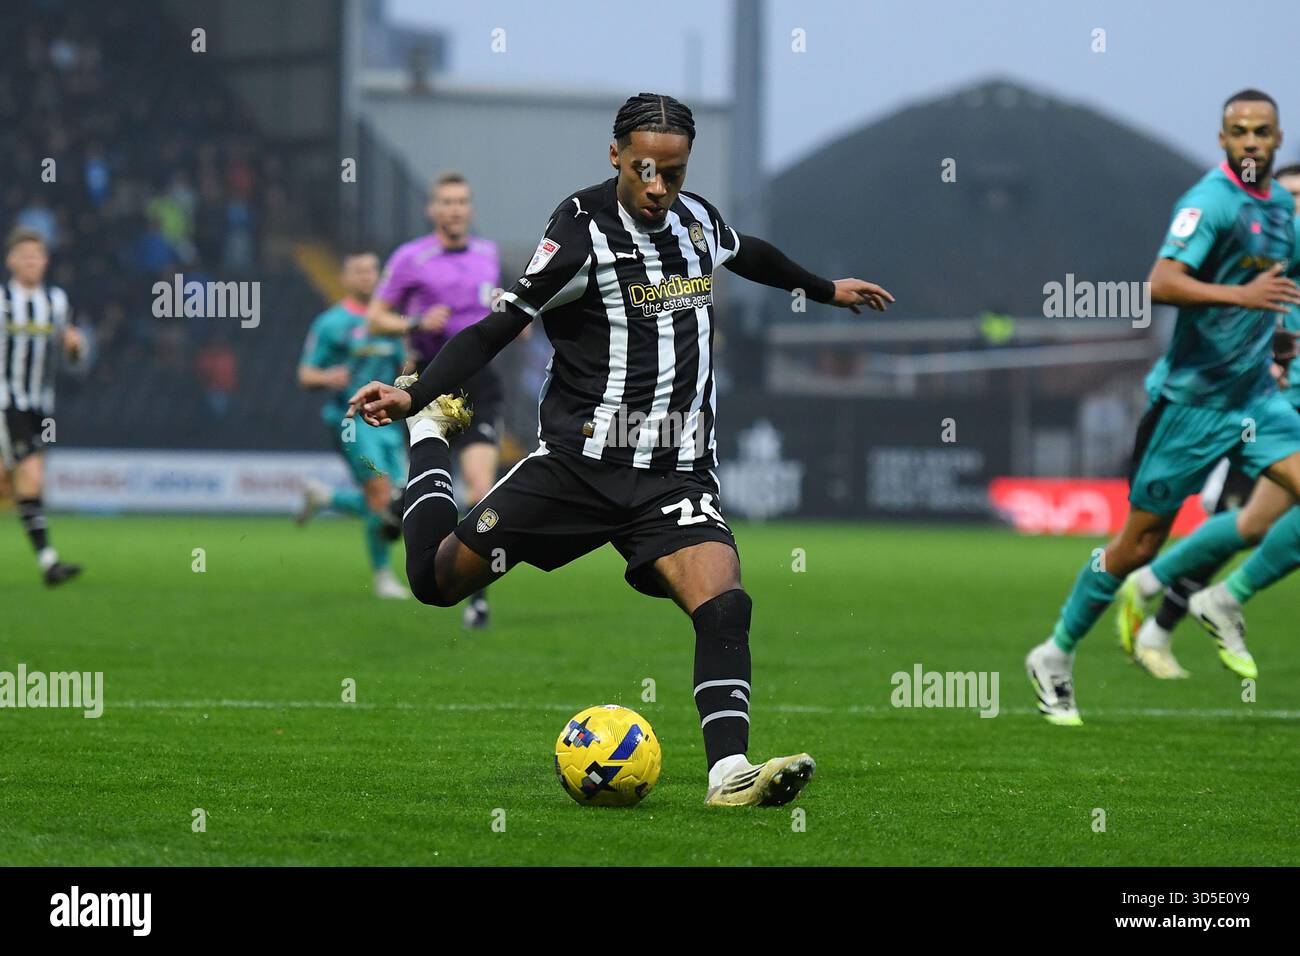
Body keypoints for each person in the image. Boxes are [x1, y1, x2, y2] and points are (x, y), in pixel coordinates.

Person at [348, 93, 893, 806]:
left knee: (725, 605)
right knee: (434, 581)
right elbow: (496, 327)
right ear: (615, 156)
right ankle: (429, 446)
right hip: (575, 470)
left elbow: (747, 252)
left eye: (674, 172)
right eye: (646, 171)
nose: (660, 188)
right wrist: (415, 400)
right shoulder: (579, 231)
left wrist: (822, 289)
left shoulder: (696, 220)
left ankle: (729, 773)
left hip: (674, 475)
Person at [1025, 90, 1300, 723]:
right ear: (1223, 140)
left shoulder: (1282, 208)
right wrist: (1244, 298)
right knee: (1137, 545)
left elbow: (1274, 289)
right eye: (1239, 132)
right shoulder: (1209, 203)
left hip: (1257, 397)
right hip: (1190, 405)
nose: (1252, 142)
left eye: (1262, 131)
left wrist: (1273, 332)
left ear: (1279, 138)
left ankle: (1226, 598)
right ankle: (1056, 652)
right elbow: (1161, 283)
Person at [367, 172, 506, 628]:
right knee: (436, 482)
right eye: (446, 201)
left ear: (470, 208)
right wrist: (415, 321)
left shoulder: (489, 254)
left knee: (481, 490)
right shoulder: (411, 257)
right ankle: (405, 498)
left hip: (480, 383)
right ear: (433, 209)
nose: (455, 209)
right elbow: (376, 318)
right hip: (428, 383)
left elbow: (499, 313)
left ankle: (478, 598)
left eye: (462, 201)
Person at [297, 252, 407, 599]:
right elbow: (305, 375)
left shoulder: (389, 321)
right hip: (351, 421)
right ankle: (383, 576)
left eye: (372, 270)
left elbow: (404, 370)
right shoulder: (331, 323)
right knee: (380, 494)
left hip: (388, 423)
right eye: (358, 270)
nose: (366, 276)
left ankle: (326, 496)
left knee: (399, 501)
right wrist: (328, 376)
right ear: (345, 278)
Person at [1, 226, 85, 585]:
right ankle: (49, 564)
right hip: (6, 401)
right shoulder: (2, 300)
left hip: (39, 405)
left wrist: (75, 347)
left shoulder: (57, 302)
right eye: (25, 255)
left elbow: (74, 360)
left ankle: (49, 565)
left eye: (37, 255)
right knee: (30, 477)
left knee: (19, 485)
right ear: (11, 260)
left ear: (46, 261)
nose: (32, 261)